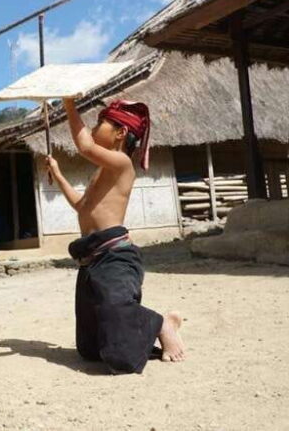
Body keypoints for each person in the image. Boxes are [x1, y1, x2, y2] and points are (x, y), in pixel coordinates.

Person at [45, 99, 185, 374]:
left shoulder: (122, 164)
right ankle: (138, 328)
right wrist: (59, 175)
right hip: (90, 260)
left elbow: (85, 146)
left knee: (121, 357)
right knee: (90, 350)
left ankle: (161, 323)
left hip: (115, 257)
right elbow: (82, 206)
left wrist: (68, 104)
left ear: (120, 133)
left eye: (100, 123)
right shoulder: (103, 170)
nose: (95, 127)